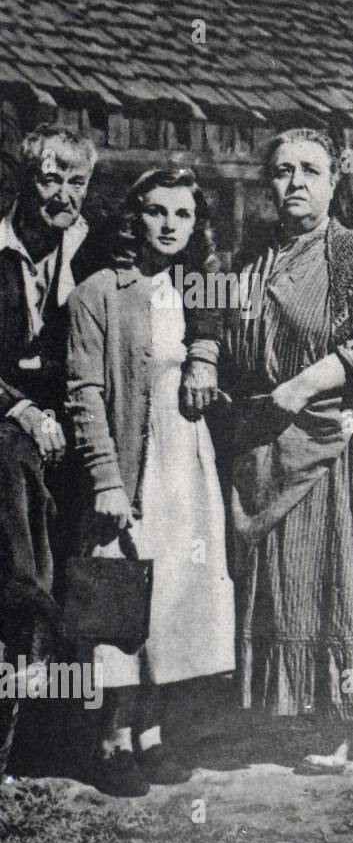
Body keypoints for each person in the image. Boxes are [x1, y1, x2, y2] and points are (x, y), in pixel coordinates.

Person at [192, 128, 353, 774]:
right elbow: (206, 314)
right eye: (282, 171)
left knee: (326, 575)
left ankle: (333, 720)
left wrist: (302, 385)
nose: (295, 183)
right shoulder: (249, 254)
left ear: (337, 179)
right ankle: (276, 713)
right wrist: (202, 358)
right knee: (272, 579)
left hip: (321, 439)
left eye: (310, 170)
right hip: (256, 438)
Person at [66, 169, 236, 797]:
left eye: (183, 215)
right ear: (133, 218)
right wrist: (106, 480)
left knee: (174, 597)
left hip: (185, 458)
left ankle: (153, 732)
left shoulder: (196, 284)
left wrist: (205, 355)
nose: (169, 225)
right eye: (157, 212)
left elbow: (217, 332)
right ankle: (110, 737)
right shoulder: (98, 292)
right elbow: (83, 391)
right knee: (119, 593)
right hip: (130, 460)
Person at [0, 125, 99, 779]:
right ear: (24, 181)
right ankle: (27, 626)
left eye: (75, 182)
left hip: (74, 399)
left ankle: (92, 717)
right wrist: (23, 408)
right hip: (9, 402)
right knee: (12, 464)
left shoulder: (94, 243)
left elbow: (183, 257)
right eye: (49, 179)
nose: (62, 195)